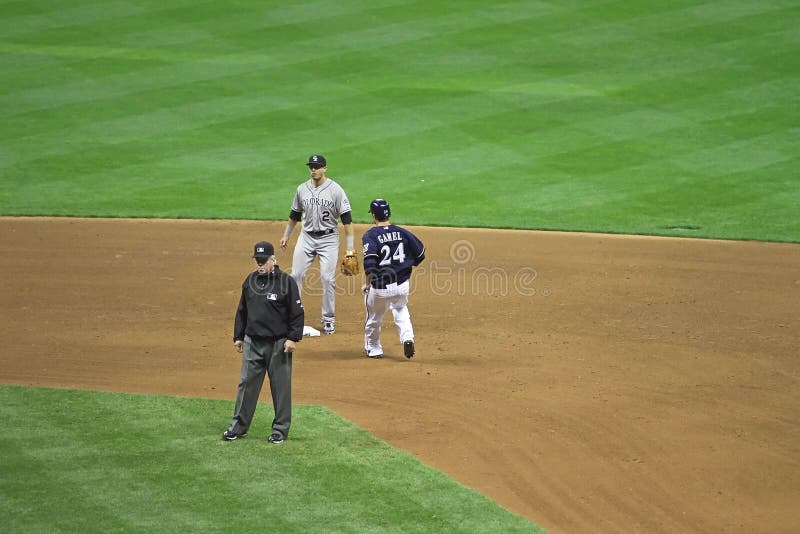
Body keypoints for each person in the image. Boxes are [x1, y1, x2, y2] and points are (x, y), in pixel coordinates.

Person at [222, 241, 304, 444]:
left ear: (273, 260)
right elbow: (242, 311)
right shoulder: (250, 281)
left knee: (281, 388)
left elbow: (297, 313)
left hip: (278, 344)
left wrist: (293, 338)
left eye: (263, 261)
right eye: (257, 260)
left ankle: (280, 430)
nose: (260, 264)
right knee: (246, 386)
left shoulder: (286, 282)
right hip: (253, 343)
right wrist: (238, 336)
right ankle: (238, 427)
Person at [280, 154, 354, 335]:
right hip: (306, 237)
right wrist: (286, 235)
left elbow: (347, 221)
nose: (314, 169)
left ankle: (328, 319)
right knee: (295, 275)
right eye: (311, 166)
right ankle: (294, 316)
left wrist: (350, 248)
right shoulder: (302, 189)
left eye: (317, 166)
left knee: (328, 279)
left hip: (328, 240)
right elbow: (294, 215)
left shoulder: (336, 190)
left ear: (325, 168)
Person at [361, 199, 425, 359]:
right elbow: (420, 253)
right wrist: (407, 264)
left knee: (374, 317)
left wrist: (367, 284)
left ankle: (374, 348)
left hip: (381, 287)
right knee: (400, 309)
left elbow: (369, 265)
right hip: (402, 285)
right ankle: (407, 338)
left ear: (374, 215)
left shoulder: (370, 235)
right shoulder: (402, 232)